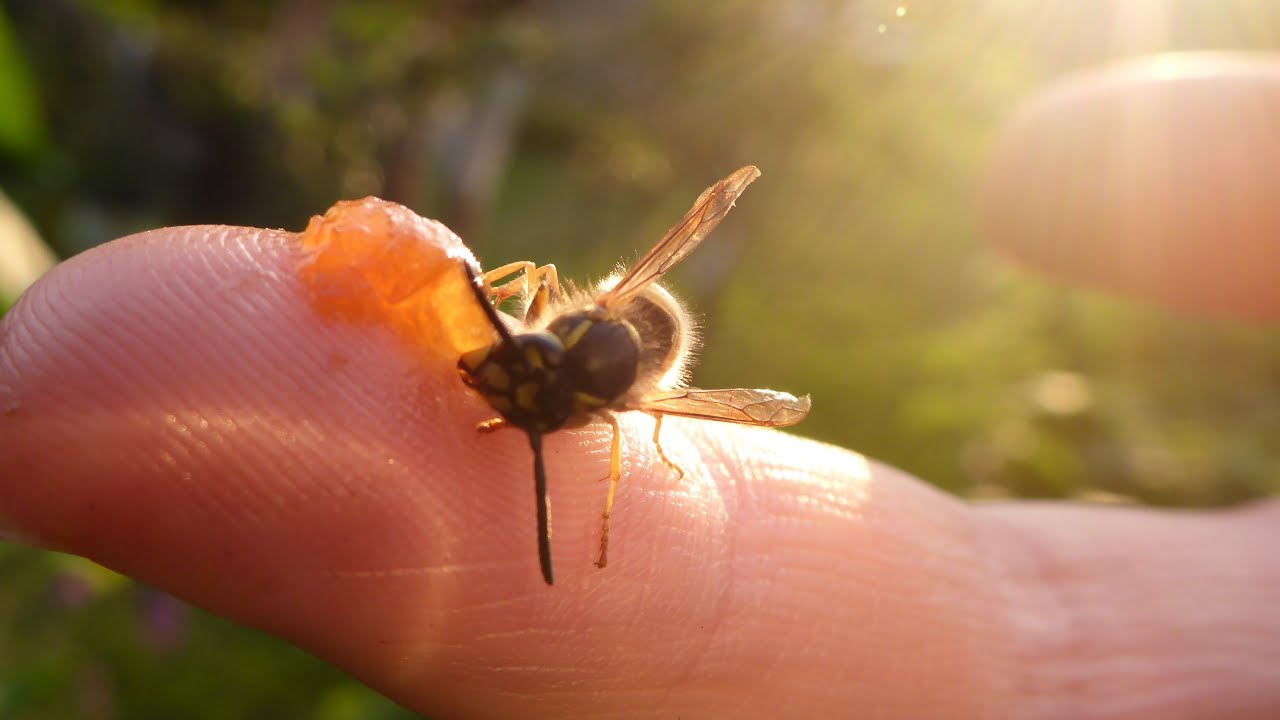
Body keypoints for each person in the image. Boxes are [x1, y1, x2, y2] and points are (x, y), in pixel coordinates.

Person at [1, 57, 1278, 718]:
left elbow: (635, 427)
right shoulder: (560, 322)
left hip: (639, 365)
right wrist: (486, 317)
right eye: (529, 380)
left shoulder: (616, 418)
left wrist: (602, 509)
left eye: (537, 400)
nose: (517, 402)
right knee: (544, 283)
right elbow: (551, 307)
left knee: (613, 411)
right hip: (615, 311)